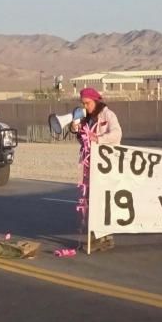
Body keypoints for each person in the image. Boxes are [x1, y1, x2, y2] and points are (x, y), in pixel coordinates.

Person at [71, 88, 122, 252]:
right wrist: (77, 130)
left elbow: (117, 134)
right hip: (90, 166)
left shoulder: (108, 115)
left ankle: (106, 237)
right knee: (92, 201)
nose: (85, 106)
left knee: (103, 201)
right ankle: (95, 235)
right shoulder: (87, 119)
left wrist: (98, 139)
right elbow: (83, 140)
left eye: (88, 103)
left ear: (96, 101)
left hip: (105, 166)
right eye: (83, 104)